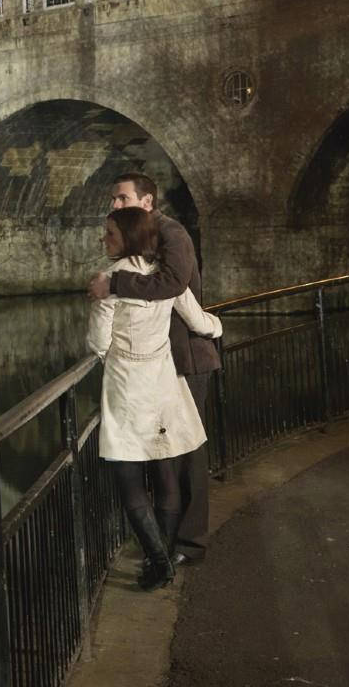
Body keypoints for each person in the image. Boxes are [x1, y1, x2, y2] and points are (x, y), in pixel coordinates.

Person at [89, 205, 223, 590]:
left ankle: (158, 560)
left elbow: (98, 342)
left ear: (127, 237)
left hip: (127, 390)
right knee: (165, 475)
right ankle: (163, 555)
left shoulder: (109, 281)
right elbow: (198, 320)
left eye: (110, 233)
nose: (104, 239)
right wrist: (219, 326)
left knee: (130, 481)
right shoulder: (164, 279)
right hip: (162, 384)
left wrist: (111, 357)